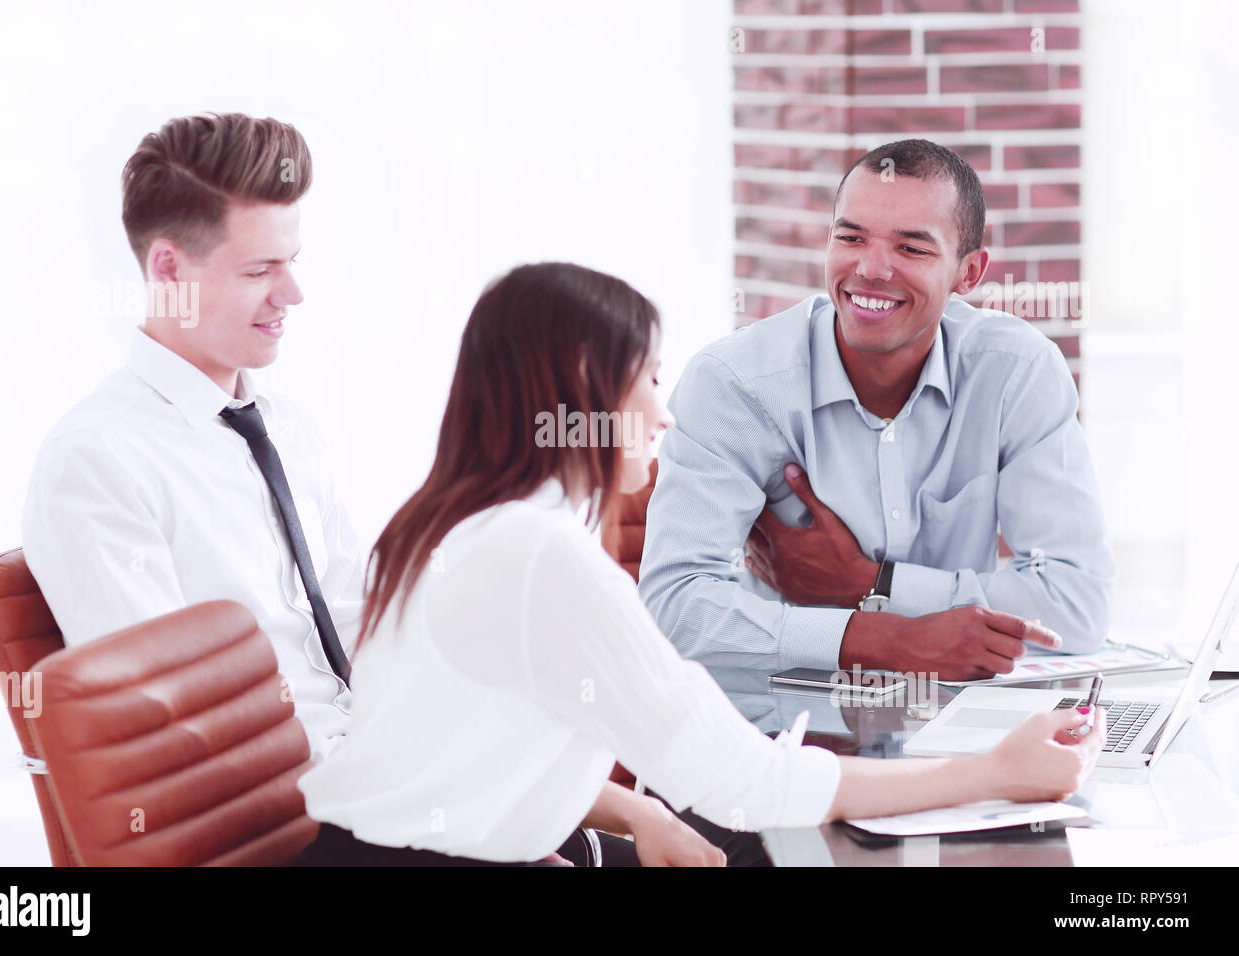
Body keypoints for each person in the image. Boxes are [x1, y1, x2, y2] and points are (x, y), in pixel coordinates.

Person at [296, 261, 1106, 867]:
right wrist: (996, 771)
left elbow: (467, 747)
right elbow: (746, 782)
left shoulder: (443, 524)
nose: (667, 411)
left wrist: (637, 816)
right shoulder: (541, 557)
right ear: (585, 391)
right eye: (647, 378)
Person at [639, 139, 1116, 683]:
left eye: (912, 248)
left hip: (960, 725)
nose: (870, 268)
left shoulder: (1015, 371)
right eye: (851, 237)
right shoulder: (736, 384)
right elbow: (673, 607)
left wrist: (871, 584)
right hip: (777, 728)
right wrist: (884, 639)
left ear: (969, 272)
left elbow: (1078, 605)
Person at [22, 113, 361, 759]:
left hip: (375, 777)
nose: (294, 293)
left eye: (291, 263)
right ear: (169, 268)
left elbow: (356, 621)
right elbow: (166, 717)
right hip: (278, 819)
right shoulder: (97, 461)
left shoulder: (289, 428)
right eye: (260, 271)